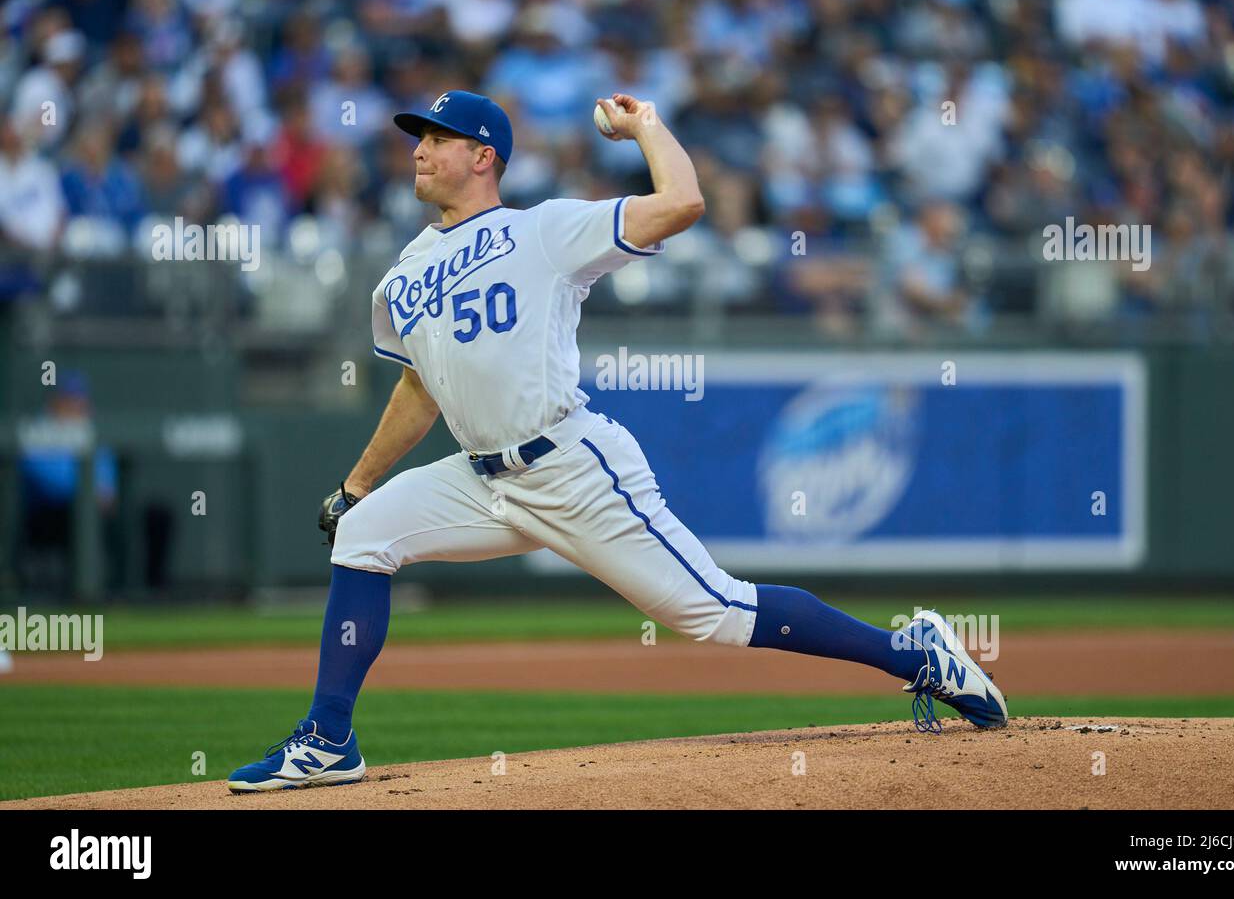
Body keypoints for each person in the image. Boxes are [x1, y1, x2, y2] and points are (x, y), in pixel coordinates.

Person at [227, 90, 1007, 793]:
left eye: (437, 136)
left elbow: (683, 203)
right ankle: (329, 739)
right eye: (416, 136)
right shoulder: (403, 273)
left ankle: (914, 654)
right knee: (364, 536)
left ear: (483, 155)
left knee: (718, 612)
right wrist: (357, 485)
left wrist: (648, 127)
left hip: (570, 466)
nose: (419, 149)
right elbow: (418, 389)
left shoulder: (543, 230)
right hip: (480, 478)